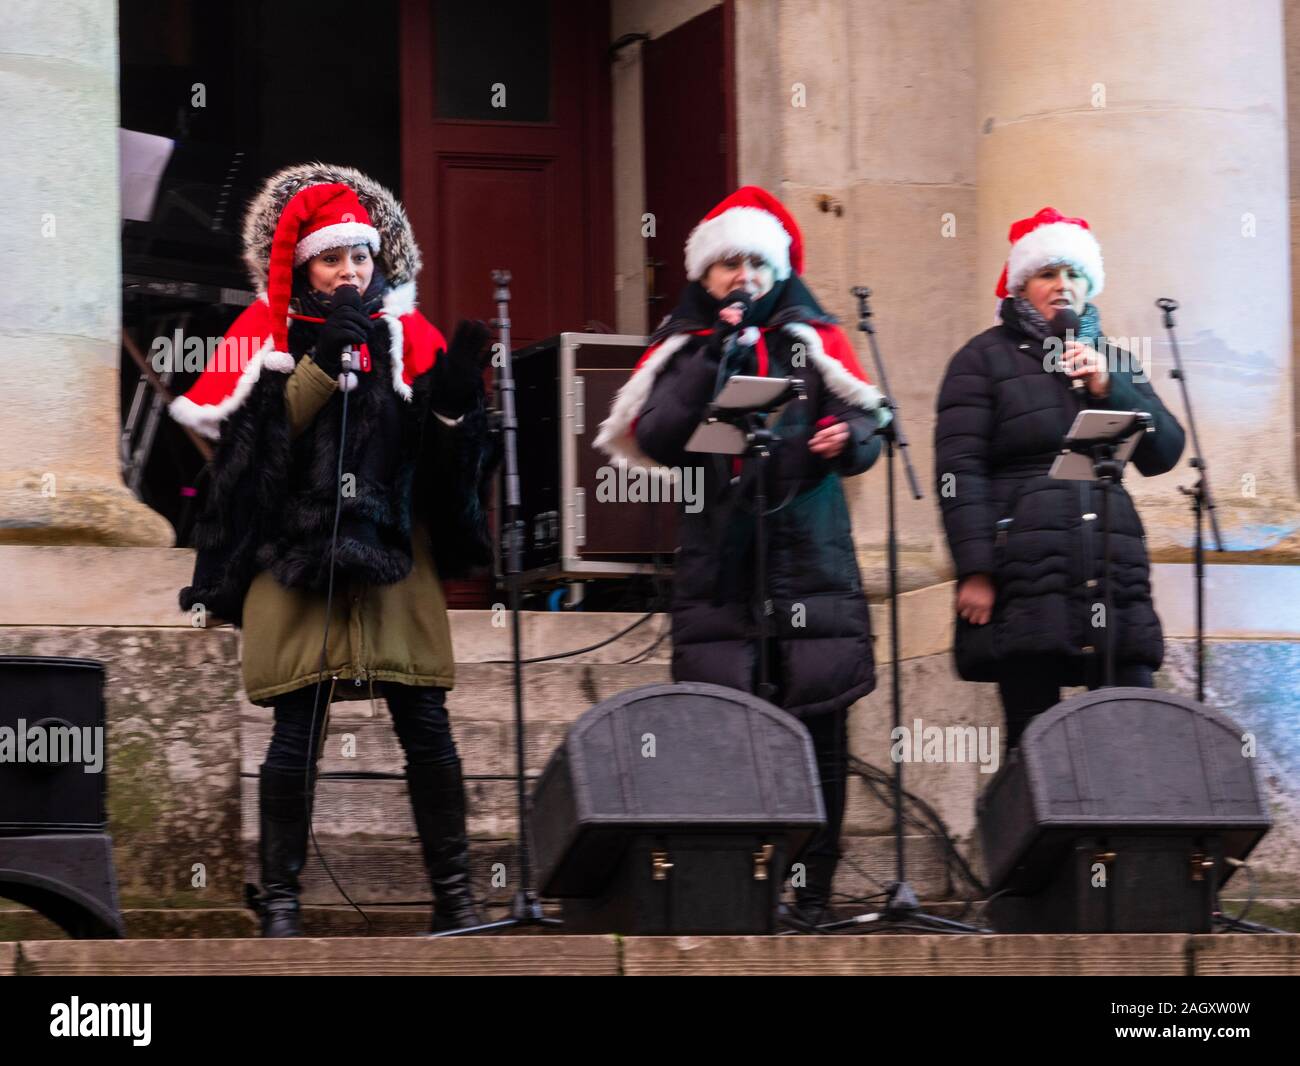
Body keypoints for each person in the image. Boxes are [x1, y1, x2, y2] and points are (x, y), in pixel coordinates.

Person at [169, 164, 497, 936]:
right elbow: (242, 463)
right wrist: (318, 367)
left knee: (426, 721)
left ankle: (457, 899)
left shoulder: (405, 332)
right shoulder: (263, 333)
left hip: (392, 558)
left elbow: (444, 471)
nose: (352, 272)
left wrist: (452, 406)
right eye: (333, 259)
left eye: (361, 257)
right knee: (296, 725)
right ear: (304, 267)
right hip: (294, 557)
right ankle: (280, 903)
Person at [596, 186, 891, 924]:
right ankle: (742, 882)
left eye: (757, 263)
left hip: (810, 559)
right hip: (721, 563)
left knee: (820, 722)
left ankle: (813, 889)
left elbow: (871, 424)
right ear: (705, 275)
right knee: (732, 723)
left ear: (777, 269)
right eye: (728, 264)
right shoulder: (682, 347)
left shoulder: (813, 337)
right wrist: (711, 358)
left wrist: (848, 440)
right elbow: (658, 436)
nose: (743, 277)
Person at [934, 207, 1186, 748]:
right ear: (1022, 285)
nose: (1062, 286)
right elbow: (960, 472)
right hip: (1025, 571)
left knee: (1128, 732)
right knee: (1036, 742)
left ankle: (1123, 833)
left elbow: (1164, 451)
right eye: (1048, 274)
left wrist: (1108, 387)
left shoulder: (1113, 360)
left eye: (1073, 275)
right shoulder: (980, 360)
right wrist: (976, 570)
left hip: (1108, 565)